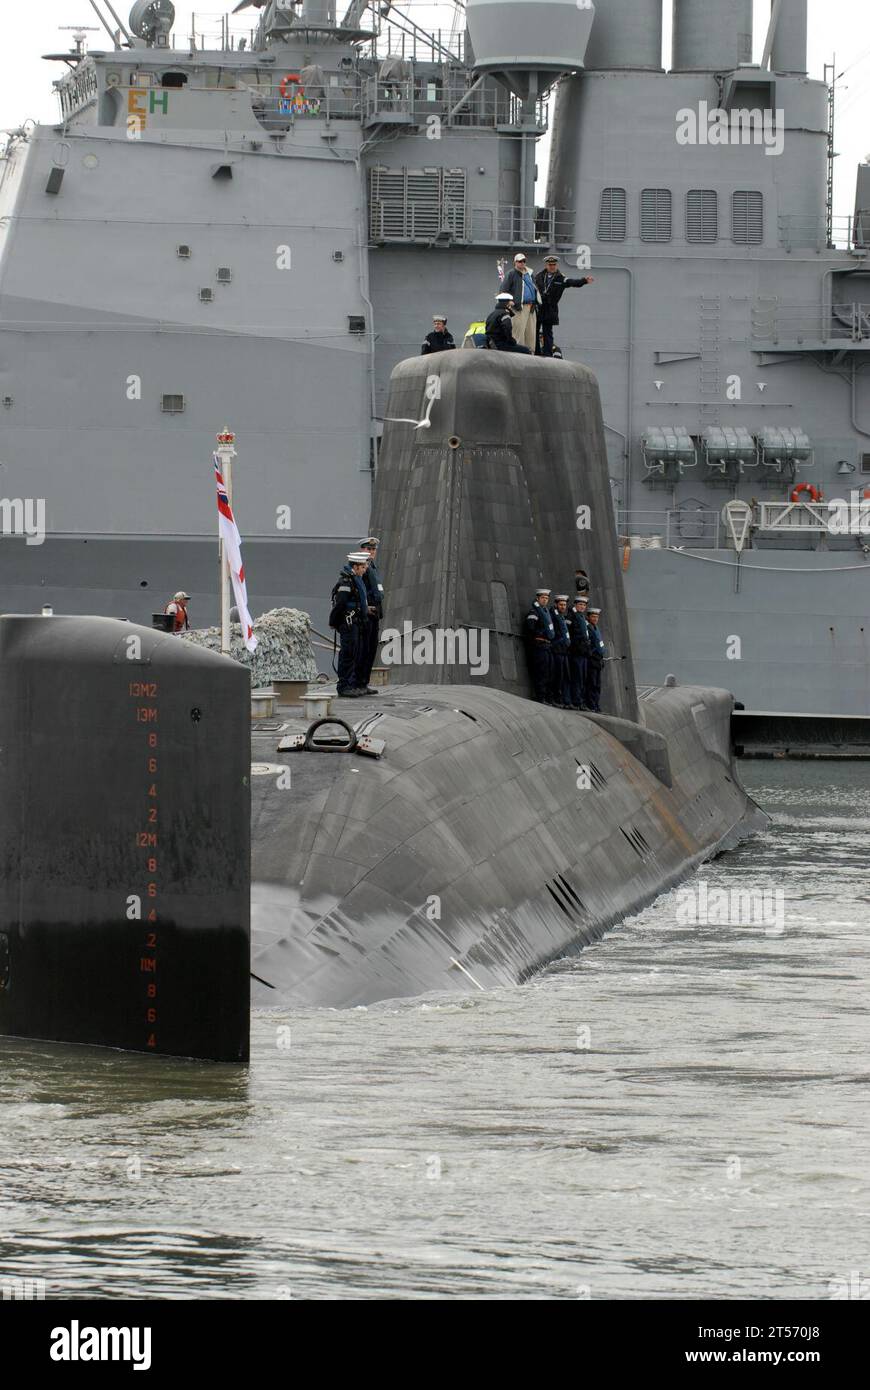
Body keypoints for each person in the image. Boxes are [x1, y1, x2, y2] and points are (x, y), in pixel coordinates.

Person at [329, 551, 370, 697]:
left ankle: (350, 684)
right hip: (348, 624)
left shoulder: (355, 580)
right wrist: (333, 622)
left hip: (355, 623)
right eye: (363, 567)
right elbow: (340, 604)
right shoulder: (347, 583)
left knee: (354, 654)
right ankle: (343, 686)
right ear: (356, 567)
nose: (365, 569)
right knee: (347, 654)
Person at [534, 256, 593, 358]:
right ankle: (536, 352)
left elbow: (572, 282)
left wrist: (584, 281)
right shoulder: (539, 276)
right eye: (550, 265)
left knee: (547, 332)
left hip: (550, 309)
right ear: (546, 265)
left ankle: (547, 354)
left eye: (554, 265)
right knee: (534, 330)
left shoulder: (561, 278)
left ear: (556, 265)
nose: (552, 267)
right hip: (538, 308)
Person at [357, 535, 384, 694]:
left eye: (373, 549)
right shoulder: (361, 567)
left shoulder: (372, 566)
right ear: (362, 549)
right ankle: (359, 682)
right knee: (364, 648)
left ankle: (364, 683)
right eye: (369, 549)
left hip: (375, 613)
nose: (372, 551)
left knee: (371, 649)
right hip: (367, 613)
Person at [499, 252, 540, 351]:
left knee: (531, 333)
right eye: (520, 261)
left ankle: (530, 353)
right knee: (518, 333)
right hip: (518, 308)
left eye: (524, 261)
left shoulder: (529, 274)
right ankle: (518, 354)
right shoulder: (511, 274)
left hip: (531, 308)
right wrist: (509, 302)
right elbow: (503, 290)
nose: (522, 263)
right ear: (515, 263)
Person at [524, 587, 555, 702]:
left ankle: (546, 696)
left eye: (546, 598)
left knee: (548, 673)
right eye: (543, 598)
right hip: (539, 647)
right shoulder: (534, 612)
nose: (545, 600)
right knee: (540, 672)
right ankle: (540, 696)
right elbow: (530, 628)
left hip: (547, 647)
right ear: (537, 598)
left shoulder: (546, 613)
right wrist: (540, 635)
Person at [567, 595, 591, 710]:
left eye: (584, 605)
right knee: (576, 678)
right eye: (580, 604)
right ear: (576, 605)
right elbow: (571, 635)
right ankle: (576, 701)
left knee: (582, 679)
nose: (582, 606)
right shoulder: (572, 616)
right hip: (576, 653)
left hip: (583, 654)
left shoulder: (582, 618)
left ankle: (580, 701)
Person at [549, 594, 572, 708]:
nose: (563, 606)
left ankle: (563, 699)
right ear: (556, 604)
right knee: (557, 675)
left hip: (563, 651)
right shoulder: (553, 615)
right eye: (561, 605)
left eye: (564, 605)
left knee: (565, 676)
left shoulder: (562, 617)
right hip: (557, 650)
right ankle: (555, 698)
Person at [585, 606, 606, 712]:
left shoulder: (596, 628)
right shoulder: (587, 628)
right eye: (593, 617)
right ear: (588, 617)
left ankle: (596, 705)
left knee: (597, 685)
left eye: (596, 617)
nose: (595, 619)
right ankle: (591, 704)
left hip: (597, 660)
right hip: (591, 660)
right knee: (591, 683)